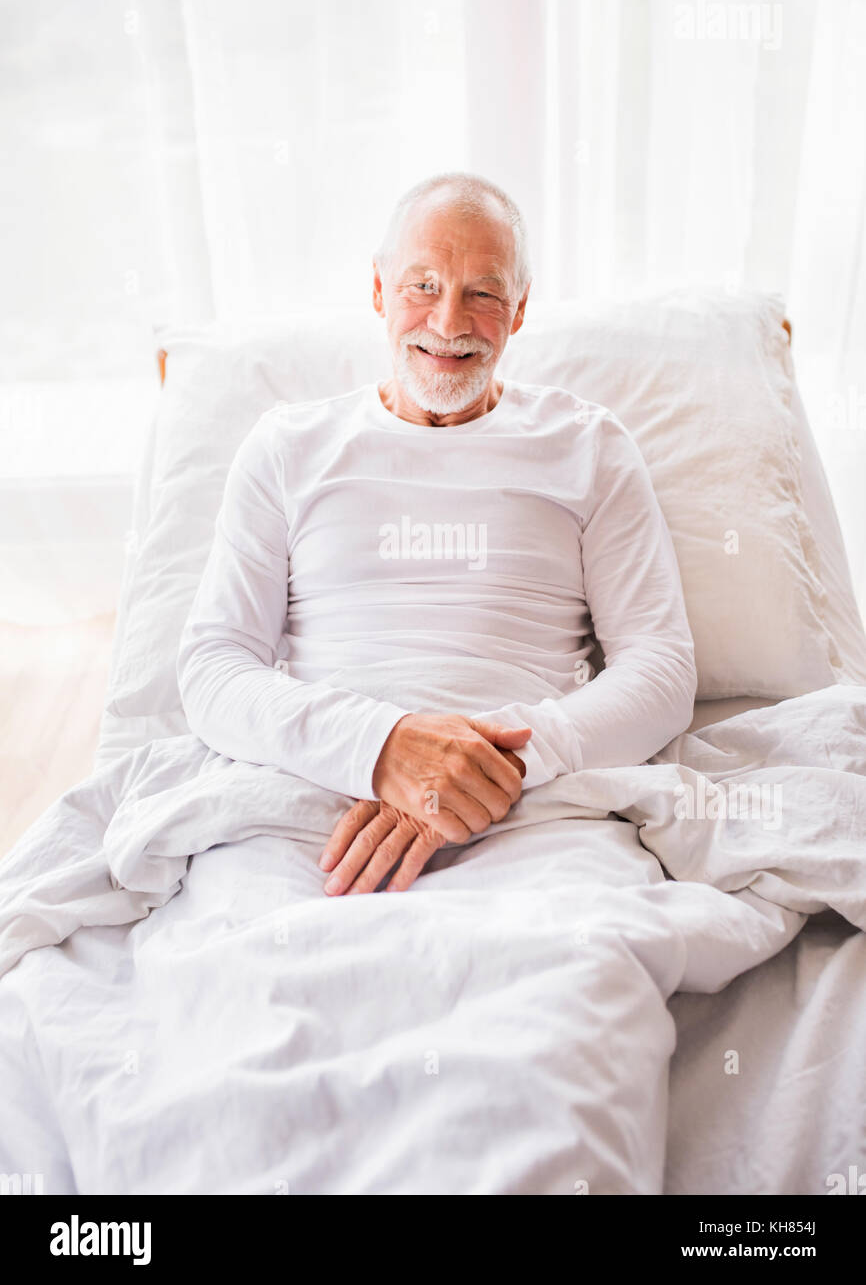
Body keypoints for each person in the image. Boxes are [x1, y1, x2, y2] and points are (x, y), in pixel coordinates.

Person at [177, 171, 697, 897]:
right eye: (422, 285)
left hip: (538, 811)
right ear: (379, 289)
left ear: (518, 311)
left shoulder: (590, 448)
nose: (449, 323)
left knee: (577, 987)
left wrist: (486, 768)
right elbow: (213, 669)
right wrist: (380, 749)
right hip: (313, 806)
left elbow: (662, 670)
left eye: (483, 293)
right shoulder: (287, 449)